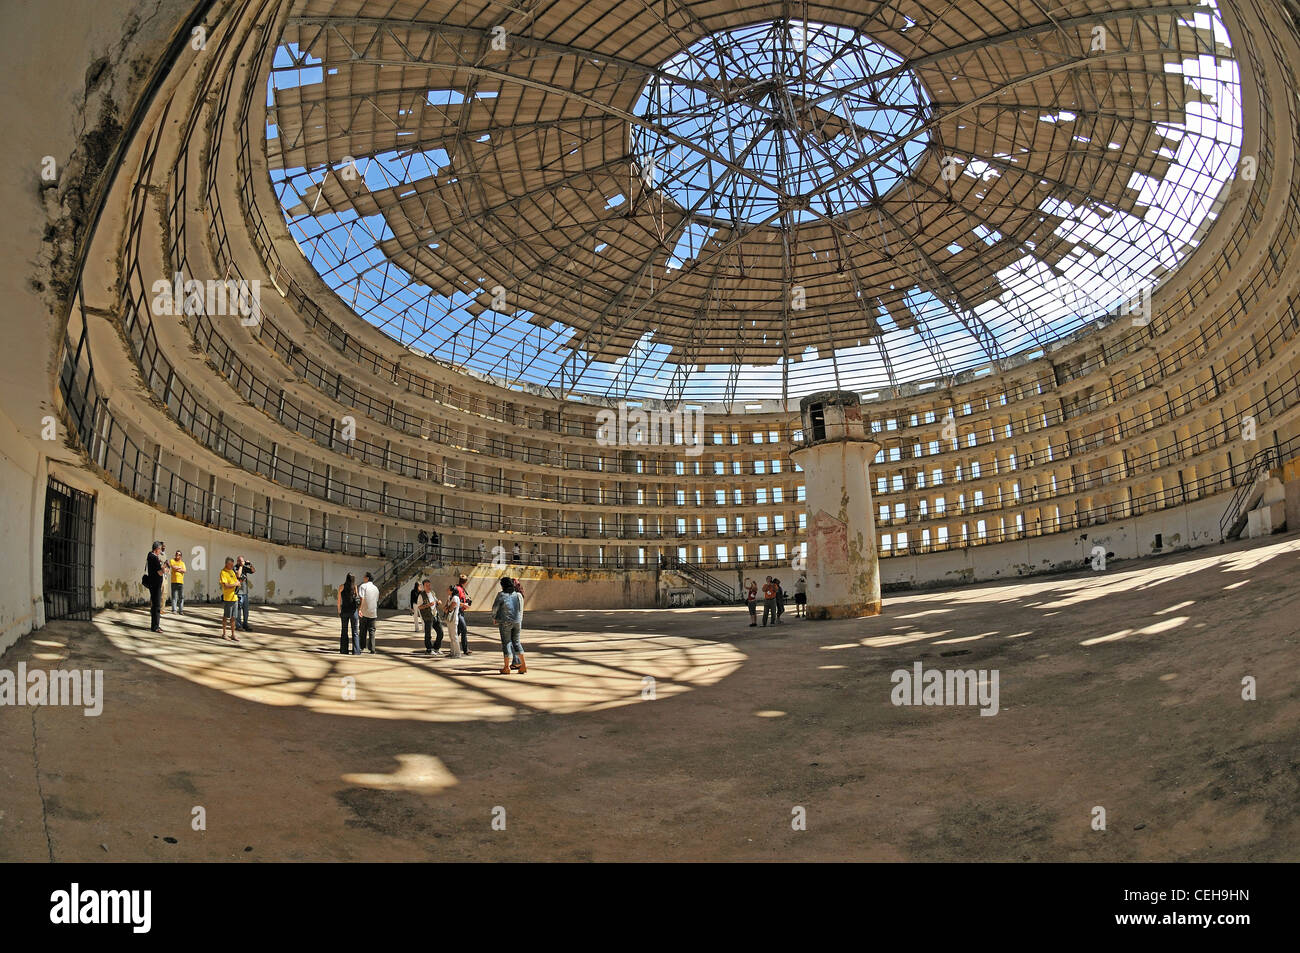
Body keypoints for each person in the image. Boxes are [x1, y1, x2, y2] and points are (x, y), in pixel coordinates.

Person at [491, 576, 526, 674]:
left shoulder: (501, 595)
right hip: (517, 621)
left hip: (505, 621)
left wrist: (494, 618)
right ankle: (523, 665)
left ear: (503, 585)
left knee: (506, 643)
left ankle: (506, 667)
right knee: (517, 642)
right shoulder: (517, 594)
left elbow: (495, 608)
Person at [418, 579, 444, 656]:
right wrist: (428, 605)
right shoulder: (421, 595)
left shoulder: (432, 593)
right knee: (428, 634)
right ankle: (429, 649)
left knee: (440, 632)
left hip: (435, 615)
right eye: (427, 585)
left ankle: (436, 648)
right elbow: (419, 607)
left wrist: (438, 602)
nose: (429, 587)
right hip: (428, 617)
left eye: (429, 585)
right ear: (423, 586)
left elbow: (435, 601)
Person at [145, 541, 166, 632]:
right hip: (155, 584)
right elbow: (159, 572)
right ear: (157, 549)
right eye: (160, 549)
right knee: (157, 605)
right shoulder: (154, 558)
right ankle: (155, 626)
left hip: (153, 583)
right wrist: (164, 567)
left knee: (155, 605)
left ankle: (154, 625)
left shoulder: (150, 555)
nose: (160, 551)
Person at [337, 573, 361, 654]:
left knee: (344, 630)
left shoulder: (341, 586)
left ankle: (344, 650)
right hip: (353, 611)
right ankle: (356, 651)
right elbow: (357, 600)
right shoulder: (354, 587)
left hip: (344, 611)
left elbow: (339, 600)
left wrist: (339, 610)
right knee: (355, 631)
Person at [219, 557, 241, 642]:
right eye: (231, 565)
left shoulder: (232, 571)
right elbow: (226, 585)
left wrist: (238, 583)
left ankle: (233, 634)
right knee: (226, 616)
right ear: (226, 564)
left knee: (233, 617)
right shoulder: (223, 572)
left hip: (234, 597)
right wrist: (235, 584)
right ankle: (224, 634)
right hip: (228, 598)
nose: (232, 566)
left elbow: (236, 582)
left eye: (232, 565)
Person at [357, 571, 379, 654]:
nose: (363, 578)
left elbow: (361, 598)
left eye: (364, 577)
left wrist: (359, 609)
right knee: (372, 630)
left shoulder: (363, 586)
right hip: (373, 612)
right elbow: (376, 600)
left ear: (367, 578)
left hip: (364, 611)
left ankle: (362, 647)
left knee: (363, 630)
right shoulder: (376, 588)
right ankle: (372, 648)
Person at [441, 584, 463, 659]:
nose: (447, 590)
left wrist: (446, 608)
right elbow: (445, 607)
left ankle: (457, 653)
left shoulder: (455, 598)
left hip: (453, 619)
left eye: (448, 589)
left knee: (454, 636)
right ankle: (452, 652)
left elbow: (450, 608)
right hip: (449, 619)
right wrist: (446, 608)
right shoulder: (449, 597)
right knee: (451, 636)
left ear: (452, 591)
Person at [234, 556, 255, 632]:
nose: (242, 562)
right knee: (238, 610)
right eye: (240, 561)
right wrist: (241, 566)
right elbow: (238, 575)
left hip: (245, 593)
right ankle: (238, 626)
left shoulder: (245, 567)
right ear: (238, 561)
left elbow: (253, 571)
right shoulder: (235, 567)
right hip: (238, 593)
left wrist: (250, 564)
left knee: (246, 610)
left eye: (243, 561)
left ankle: (245, 624)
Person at [453, 574, 472, 655]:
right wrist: (464, 605)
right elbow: (455, 601)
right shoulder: (457, 589)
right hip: (458, 612)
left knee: (458, 631)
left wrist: (465, 602)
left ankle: (453, 647)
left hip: (460, 611)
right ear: (465, 582)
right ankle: (465, 649)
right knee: (464, 630)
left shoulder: (460, 588)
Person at [167, 549, 186, 615]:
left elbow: (184, 571)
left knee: (181, 597)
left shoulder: (182, 563)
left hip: (181, 582)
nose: (178, 555)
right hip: (174, 581)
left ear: (181, 556)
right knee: (174, 597)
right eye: (177, 554)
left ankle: (181, 610)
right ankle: (174, 610)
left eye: (179, 555)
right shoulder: (172, 560)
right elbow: (173, 567)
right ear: (175, 555)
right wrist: (179, 568)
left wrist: (177, 568)